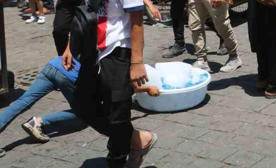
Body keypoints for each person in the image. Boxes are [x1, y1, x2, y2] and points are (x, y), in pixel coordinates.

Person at [61, 0, 157, 168]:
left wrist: (136, 63)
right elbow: (84, 8)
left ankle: (118, 158)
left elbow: (136, 18)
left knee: (117, 115)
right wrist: (71, 45)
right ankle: (138, 139)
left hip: (118, 48)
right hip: (93, 47)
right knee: (83, 105)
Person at [0, 56, 160, 158]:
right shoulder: (118, 60)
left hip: (53, 65)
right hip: (70, 77)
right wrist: (147, 88)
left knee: (23, 102)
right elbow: (119, 85)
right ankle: (40, 122)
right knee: (85, 115)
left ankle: (38, 122)